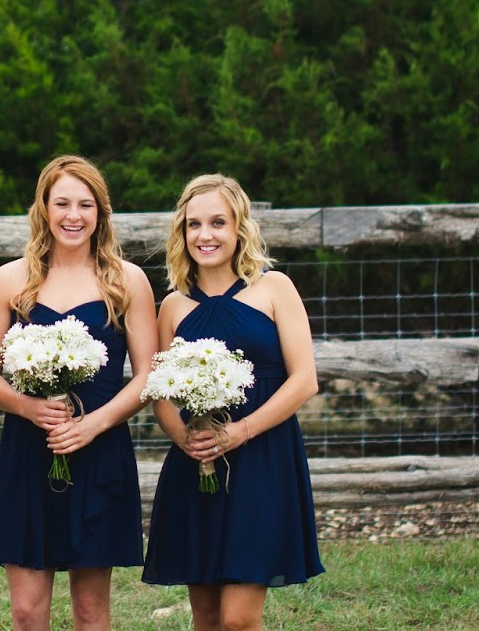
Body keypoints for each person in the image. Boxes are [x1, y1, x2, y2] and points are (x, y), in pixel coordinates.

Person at [0, 155, 158, 631]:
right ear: (43, 207)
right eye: (61, 203)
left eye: (85, 204)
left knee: (90, 611)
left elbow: (147, 375)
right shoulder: (10, 280)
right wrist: (29, 407)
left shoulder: (126, 281)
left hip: (100, 451)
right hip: (28, 450)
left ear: (101, 212)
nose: (73, 215)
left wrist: (93, 425)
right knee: (26, 612)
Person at [142, 174, 323, 630]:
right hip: (197, 464)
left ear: (240, 227)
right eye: (194, 224)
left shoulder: (274, 288)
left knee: (239, 619)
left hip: (263, 459)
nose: (205, 235)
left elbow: (304, 380)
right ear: (182, 233)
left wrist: (240, 431)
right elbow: (160, 394)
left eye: (218, 222)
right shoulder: (173, 307)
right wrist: (186, 438)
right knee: (206, 617)